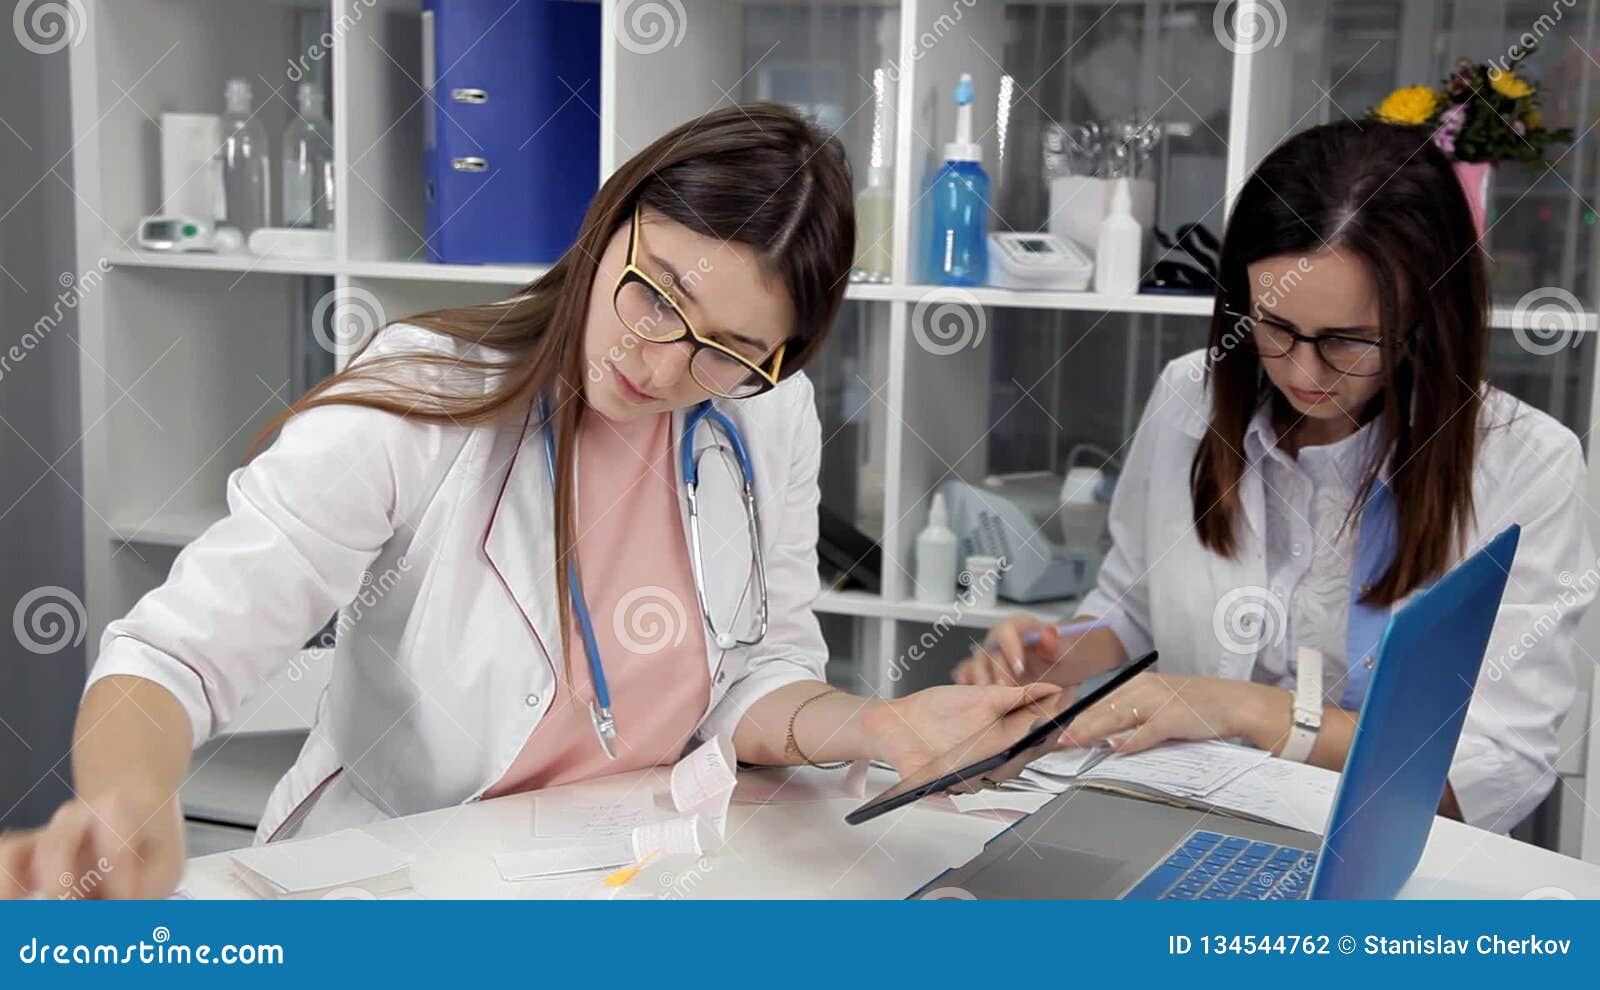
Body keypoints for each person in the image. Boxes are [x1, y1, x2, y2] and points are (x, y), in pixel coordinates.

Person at [0, 103, 1055, 899]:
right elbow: (174, 654)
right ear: (611, 222)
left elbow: (758, 675)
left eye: (725, 349)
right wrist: (127, 796)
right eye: (659, 294)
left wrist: (881, 726)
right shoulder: (421, 400)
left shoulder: (764, 416)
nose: (660, 361)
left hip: (637, 880)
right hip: (406, 885)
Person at [957, 119, 1593, 833]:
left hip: (1377, 850)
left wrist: (1249, 710)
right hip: (1180, 821)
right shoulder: (1185, 399)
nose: (1300, 371)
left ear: (1426, 315)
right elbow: (1132, 609)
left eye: (1348, 340)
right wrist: (1055, 653)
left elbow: (1498, 763)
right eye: (1274, 326)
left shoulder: (1527, 465)